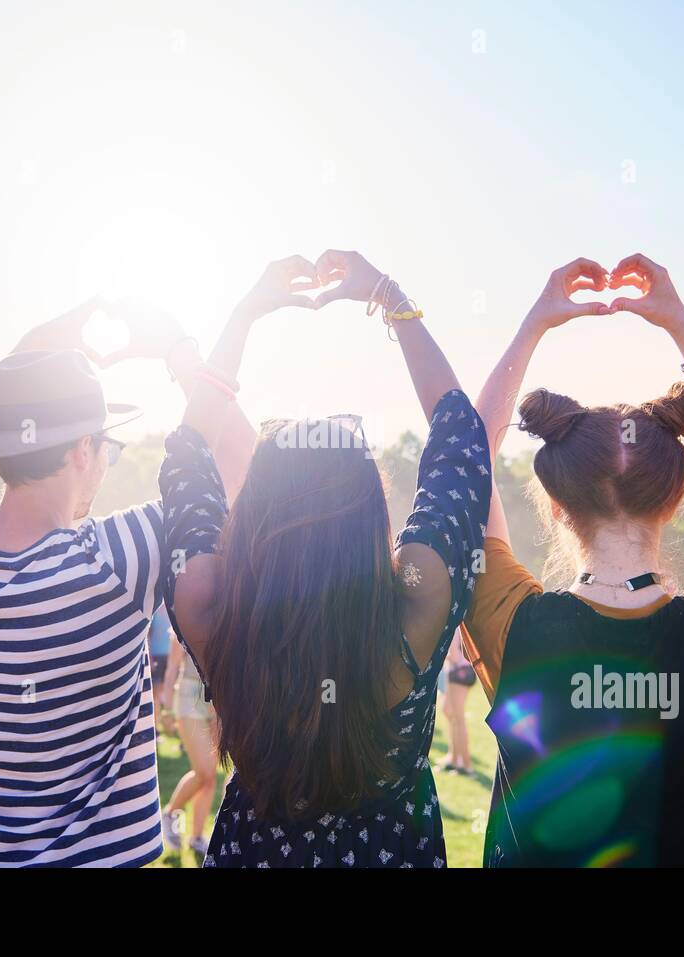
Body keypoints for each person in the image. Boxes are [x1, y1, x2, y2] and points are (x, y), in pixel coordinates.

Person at [161, 252, 490, 868]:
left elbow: (186, 450)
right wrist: (393, 300)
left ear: (254, 510)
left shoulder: (209, 600)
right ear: (369, 510)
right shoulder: (420, 597)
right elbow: (459, 436)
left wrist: (245, 315)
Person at [0, 299, 249, 867]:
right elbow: (242, 475)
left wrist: (29, 349)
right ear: (85, 448)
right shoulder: (117, 562)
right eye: (107, 445)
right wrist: (180, 353)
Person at [461, 255, 684, 866]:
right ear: (676, 498)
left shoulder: (514, 623)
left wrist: (534, 326)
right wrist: (679, 323)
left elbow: (467, 460)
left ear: (555, 507)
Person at [159, 638, 218, 865]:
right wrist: (165, 708)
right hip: (188, 698)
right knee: (203, 771)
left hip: (217, 702)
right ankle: (171, 812)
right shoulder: (187, 617)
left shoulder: (228, 618)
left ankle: (196, 837)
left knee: (211, 776)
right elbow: (172, 667)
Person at [439, 628, 476, 775]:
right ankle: (454, 759)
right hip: (460, 671)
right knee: (448, 710)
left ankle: (466, 766)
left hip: (459, 671)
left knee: (459, 719)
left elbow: (453, 655)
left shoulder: (456, 626)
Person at [147, 607, 176, 736]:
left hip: (171, 656)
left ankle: (171, 725)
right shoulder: (154, 611)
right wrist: (150, 658)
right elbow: (147, 635)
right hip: (156, 655)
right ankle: (155, 727)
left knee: (171, 691)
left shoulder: (173, 609)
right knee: (156, 695)